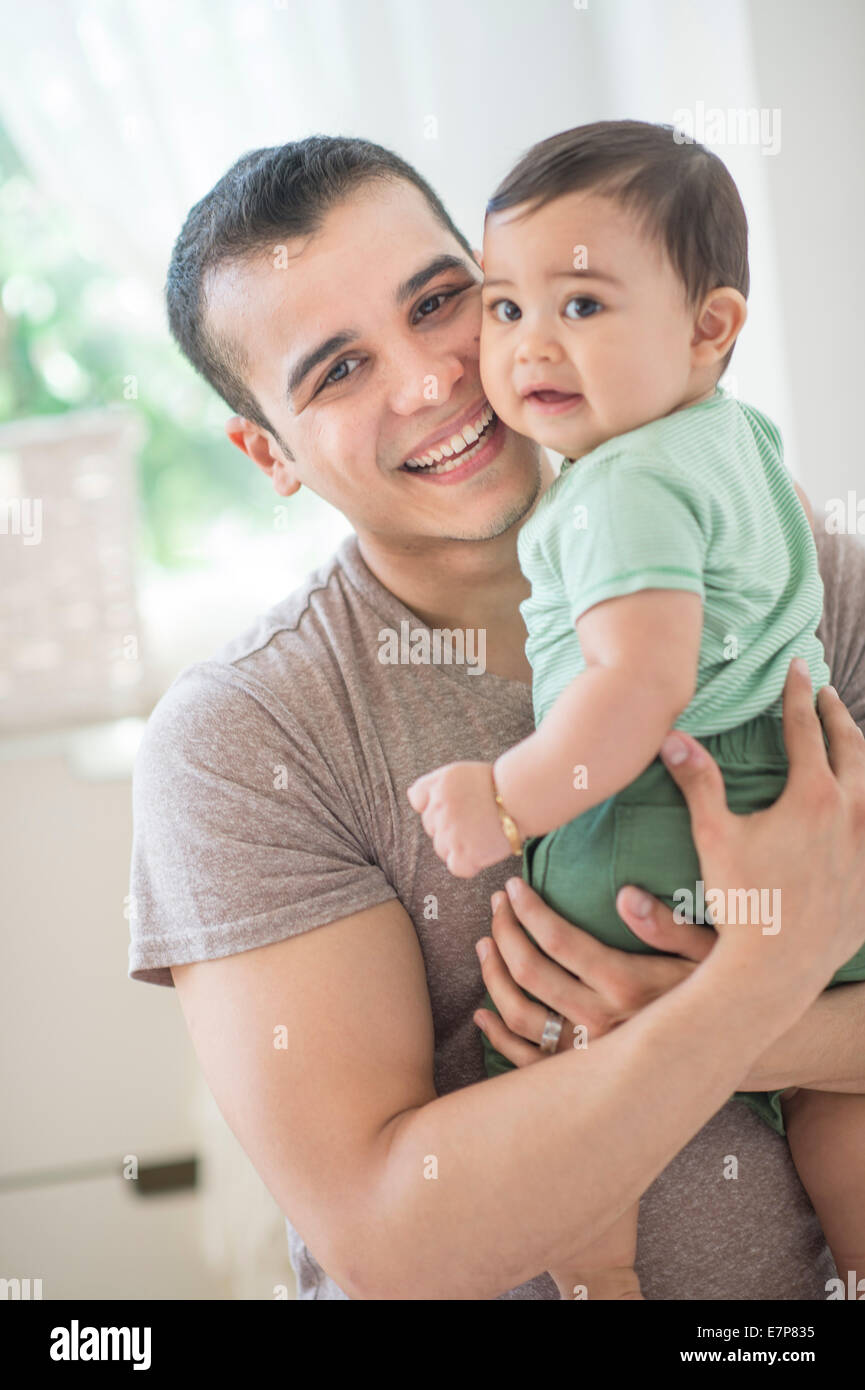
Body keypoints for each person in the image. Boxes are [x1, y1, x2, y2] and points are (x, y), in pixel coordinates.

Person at [128, 135, 865, 1300]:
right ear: (266, 451)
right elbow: (393, 1241)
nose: (430, 381)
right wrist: (764, 985)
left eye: (440, 301)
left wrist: (702, 1017)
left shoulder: (803, 583)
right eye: (337, 371)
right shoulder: (247, 741)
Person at [408, 120, 865, 1300]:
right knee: (842, 1092)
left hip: (660, 807)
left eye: (582, 307)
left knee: (564, 1048)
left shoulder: (621, 486)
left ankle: (603, 1280)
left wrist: (504, 800)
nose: (528, 348)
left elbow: (636, 685)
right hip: (806, 822)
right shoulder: (735, 439)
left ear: (709, 327)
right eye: (503, 309)